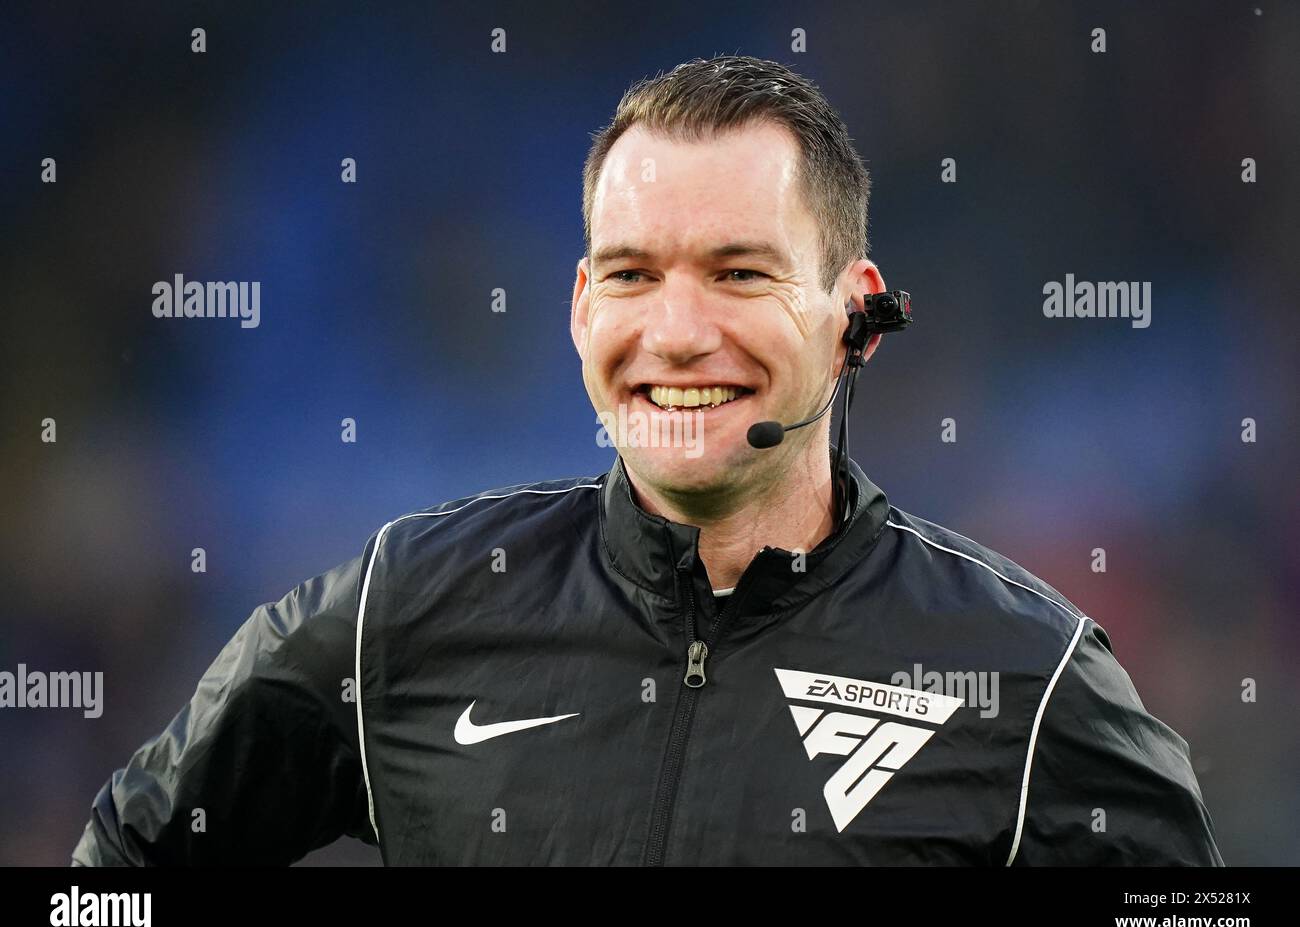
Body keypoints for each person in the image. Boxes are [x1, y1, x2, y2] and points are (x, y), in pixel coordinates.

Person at [73, 55, 1222, 866]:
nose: (675, 331)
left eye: (737, 272)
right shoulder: (403, 610)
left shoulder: (1026, 678)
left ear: (851, 314)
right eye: (630, 273)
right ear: (580, 308)